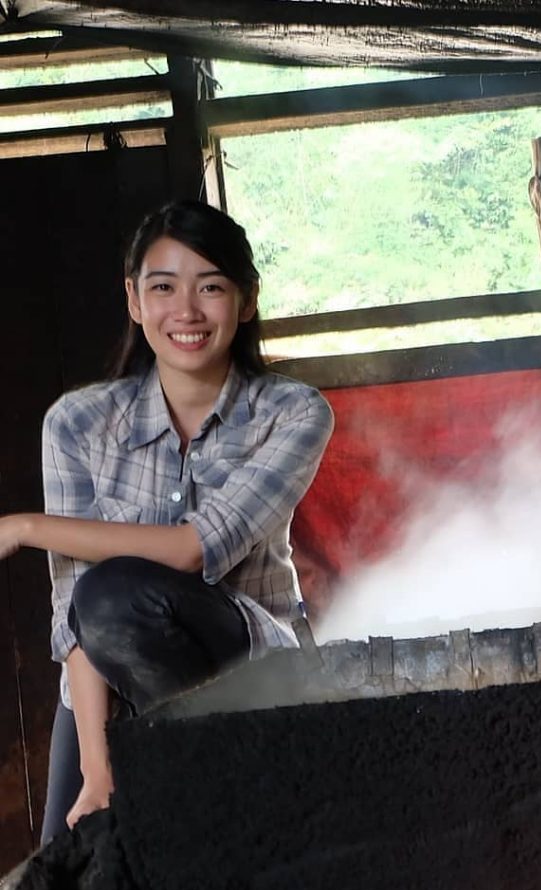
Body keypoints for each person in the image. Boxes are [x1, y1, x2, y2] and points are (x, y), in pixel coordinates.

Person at [0, 200, 334, 842]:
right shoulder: (76, 423)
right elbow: (75, 616)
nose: (186, 311)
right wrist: (98, 773)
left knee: (115, 587)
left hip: (250, 668)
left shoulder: (292, 413)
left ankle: (209, 782)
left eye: (210, 286)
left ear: (246, 299)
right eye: (163, 287)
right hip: (107, 681)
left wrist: (25, 528)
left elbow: (194, 548)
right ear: (133, 299)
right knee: (63, 879)